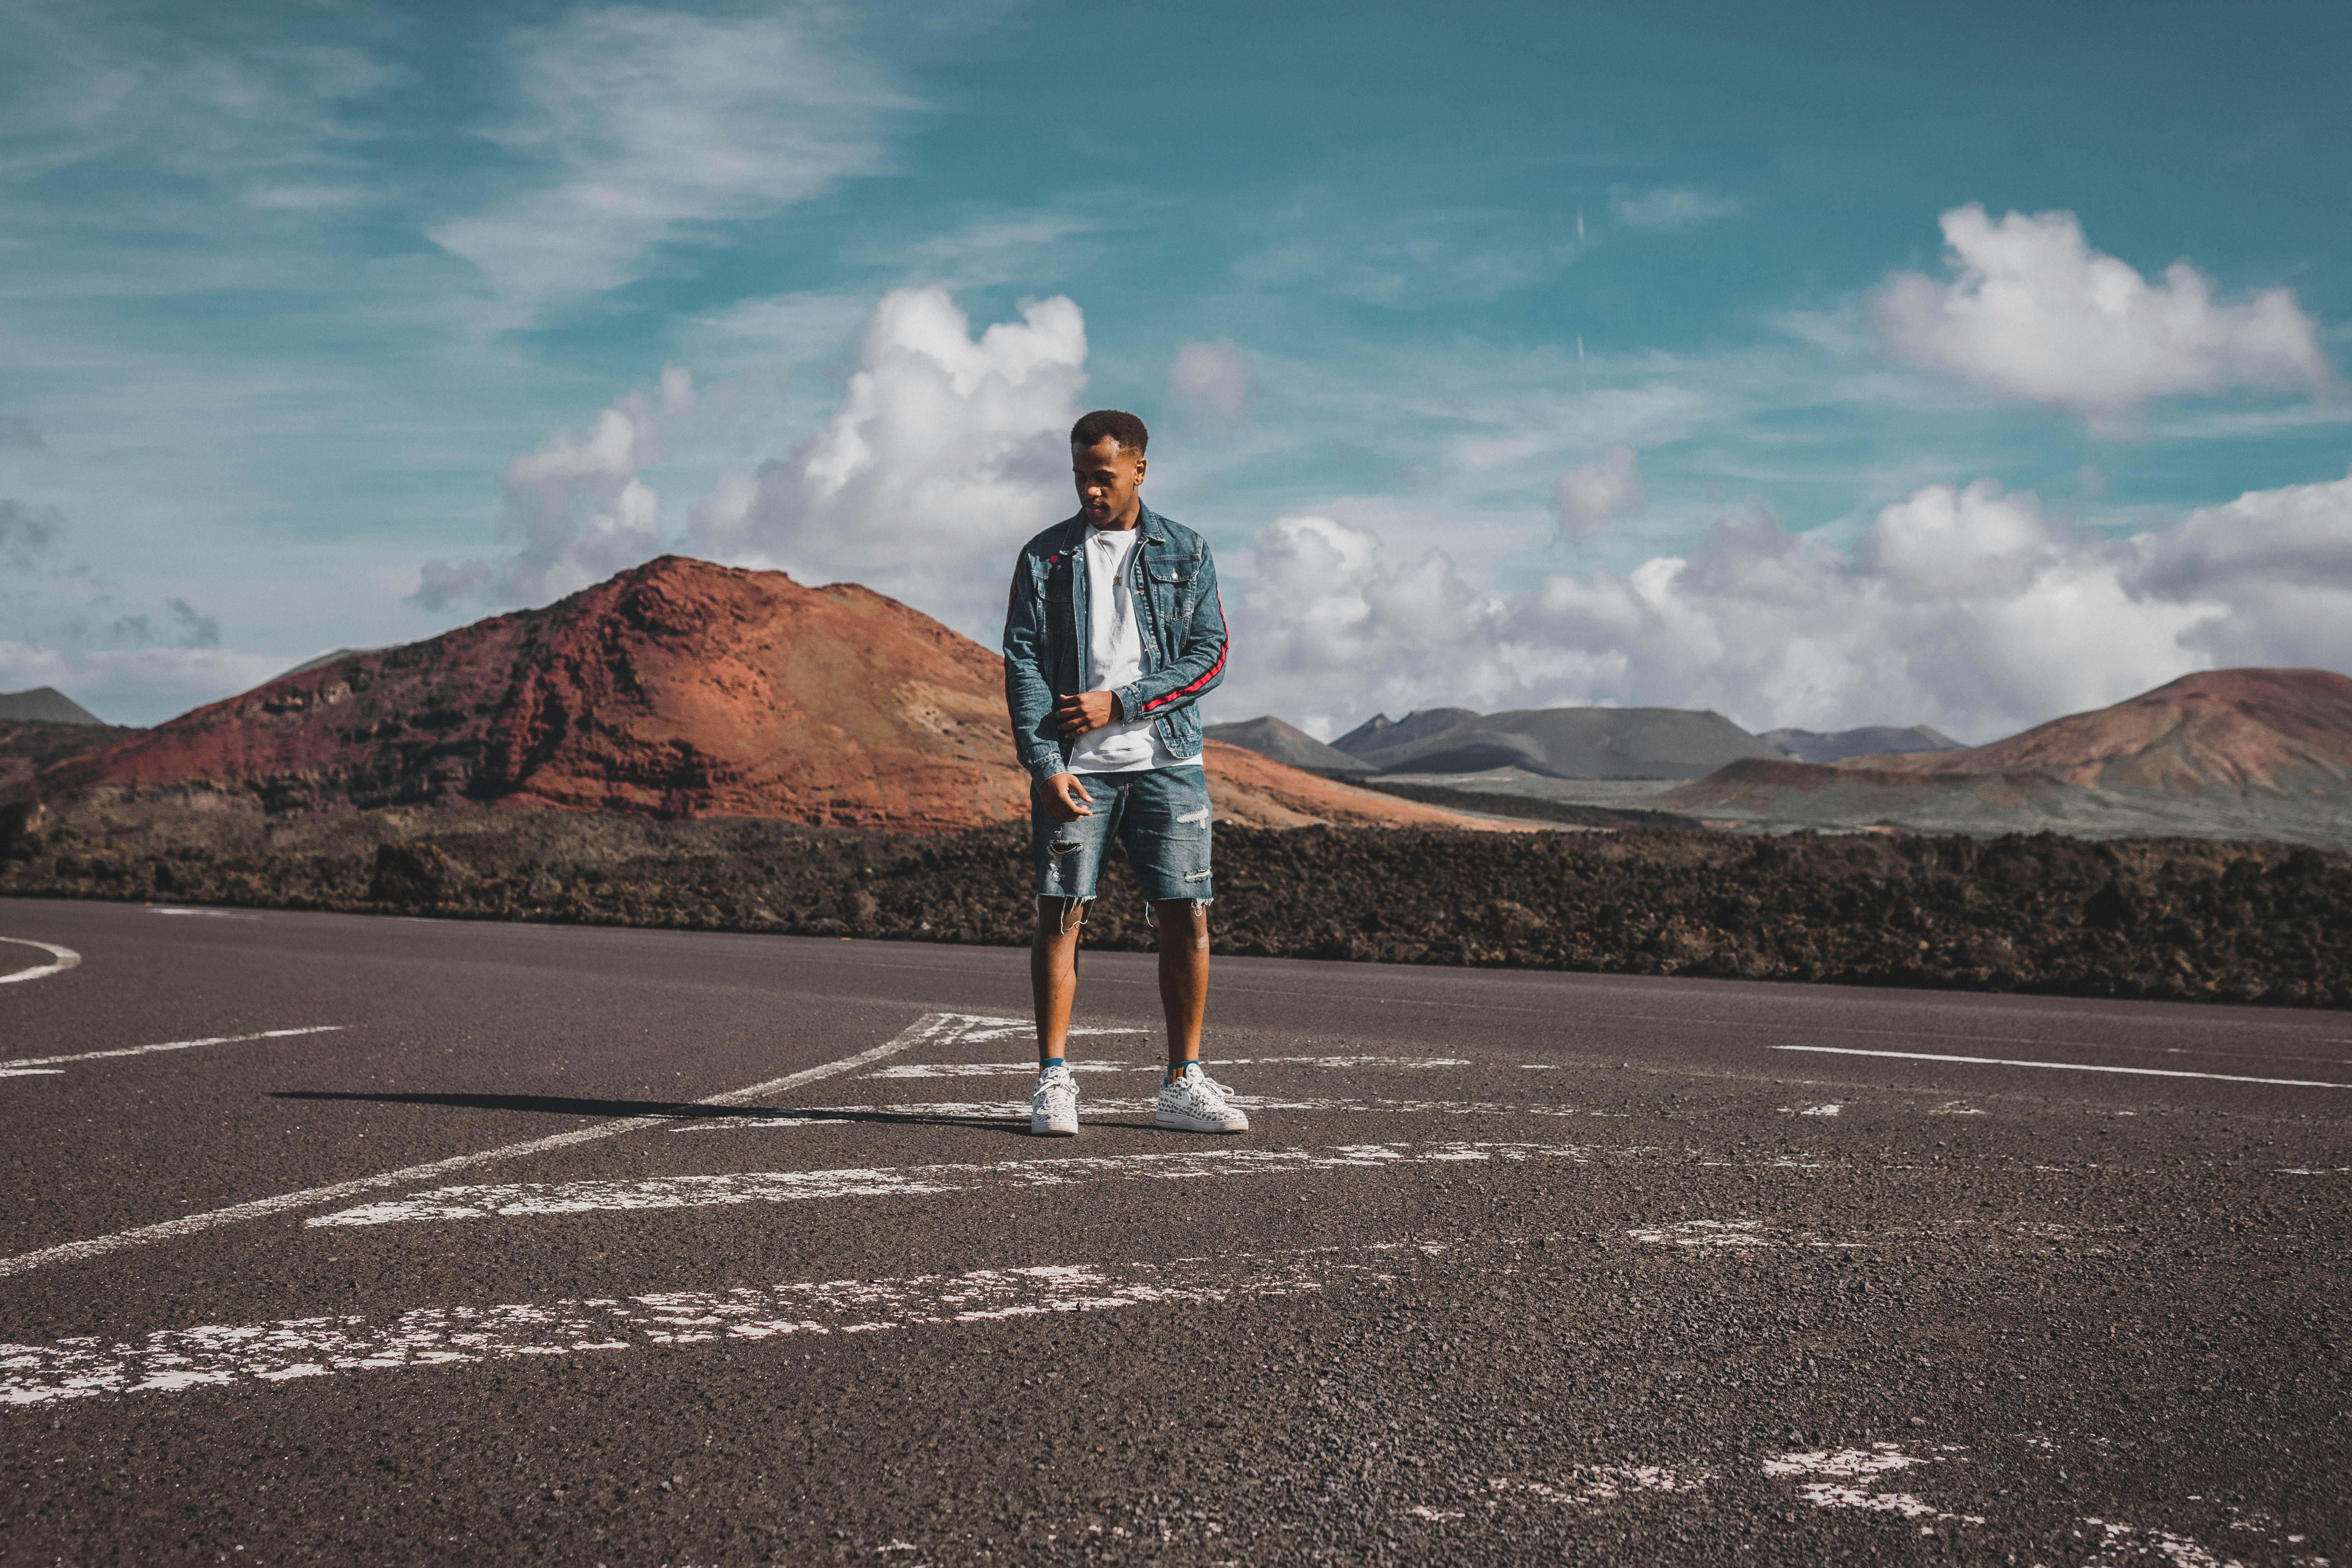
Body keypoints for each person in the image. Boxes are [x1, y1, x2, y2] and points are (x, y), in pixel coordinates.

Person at [1002, 409, 1247, 1138]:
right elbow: (1023, 663)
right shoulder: (1045, 558)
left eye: (1102, 477)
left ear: (1140, 469)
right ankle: (1053, 1081)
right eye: (1079, 476)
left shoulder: (1188, 551)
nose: (1089, 491)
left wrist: (1125, 703)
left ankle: (1183, 1081)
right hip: (1077, 771)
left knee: (1188, 913)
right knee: (1061, 912)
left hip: (1168, 760)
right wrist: (1044, 763)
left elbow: (1212, 655)